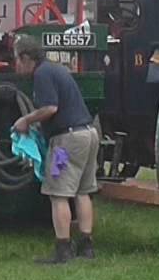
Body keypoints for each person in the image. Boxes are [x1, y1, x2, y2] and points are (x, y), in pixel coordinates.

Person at [11, 35, 100, 264]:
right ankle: (86, 247)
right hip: (88, 134)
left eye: (17, 60)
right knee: (83, 192)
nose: (16, 65)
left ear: (26, 58)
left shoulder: (42, 74)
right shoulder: (56, 69)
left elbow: (50, 108)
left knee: (58, 194)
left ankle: (63, 250)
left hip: (67, 142)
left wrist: (26, 120)